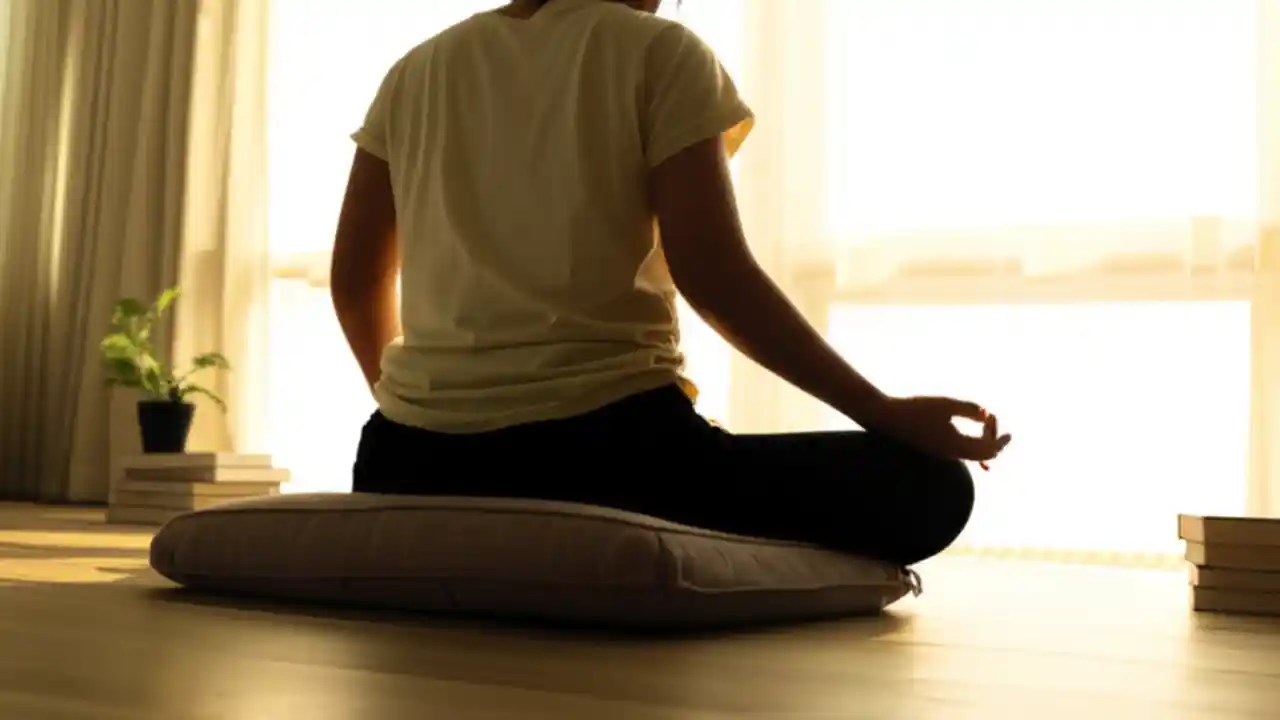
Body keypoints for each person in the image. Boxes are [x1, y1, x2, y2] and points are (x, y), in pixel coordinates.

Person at [331, 0, 1011, 568]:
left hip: (404, 464)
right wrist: (880, 409)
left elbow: (356, 280)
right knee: (931, 488)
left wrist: (430, 411)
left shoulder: (414, 71)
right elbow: (714, 275)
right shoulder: (660, 50)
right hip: (610, 459)